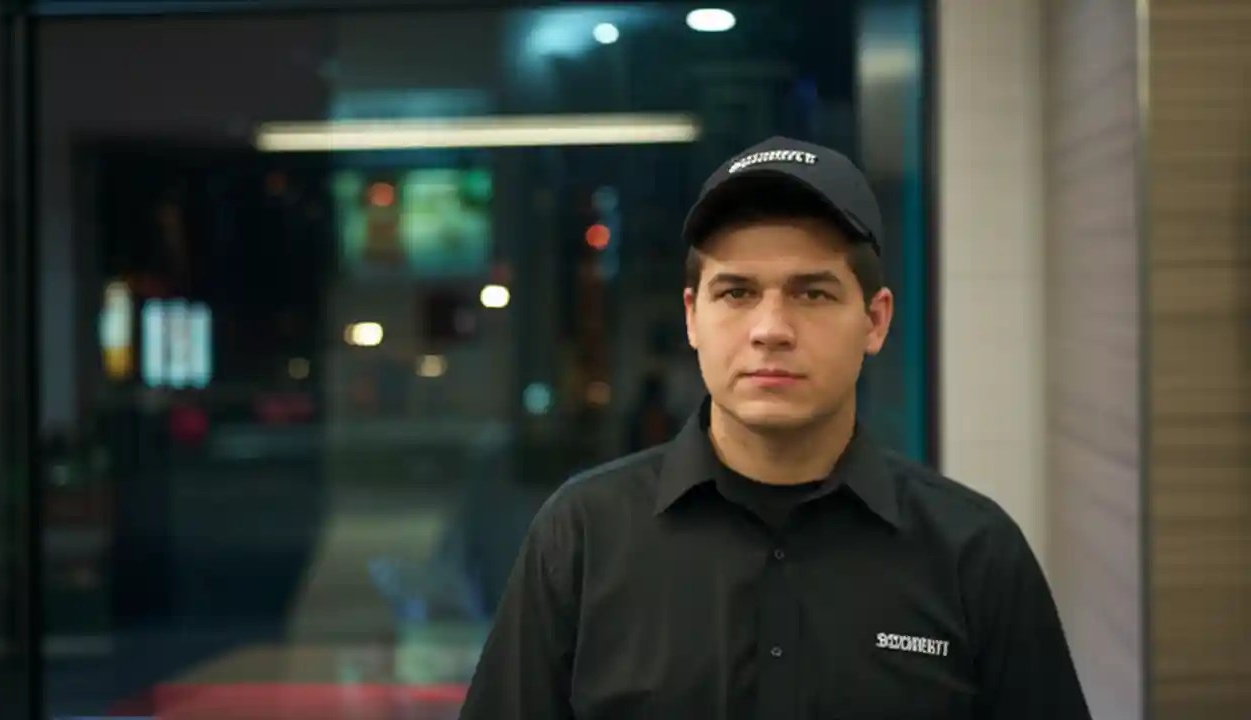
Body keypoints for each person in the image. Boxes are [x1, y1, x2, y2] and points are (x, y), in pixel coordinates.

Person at [459, 137, 1091, 719]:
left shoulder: (973, 554)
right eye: (736, 293)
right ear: (692, 318)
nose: (770, 329)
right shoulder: (582, 539)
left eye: (812, 294)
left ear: (875, 321)